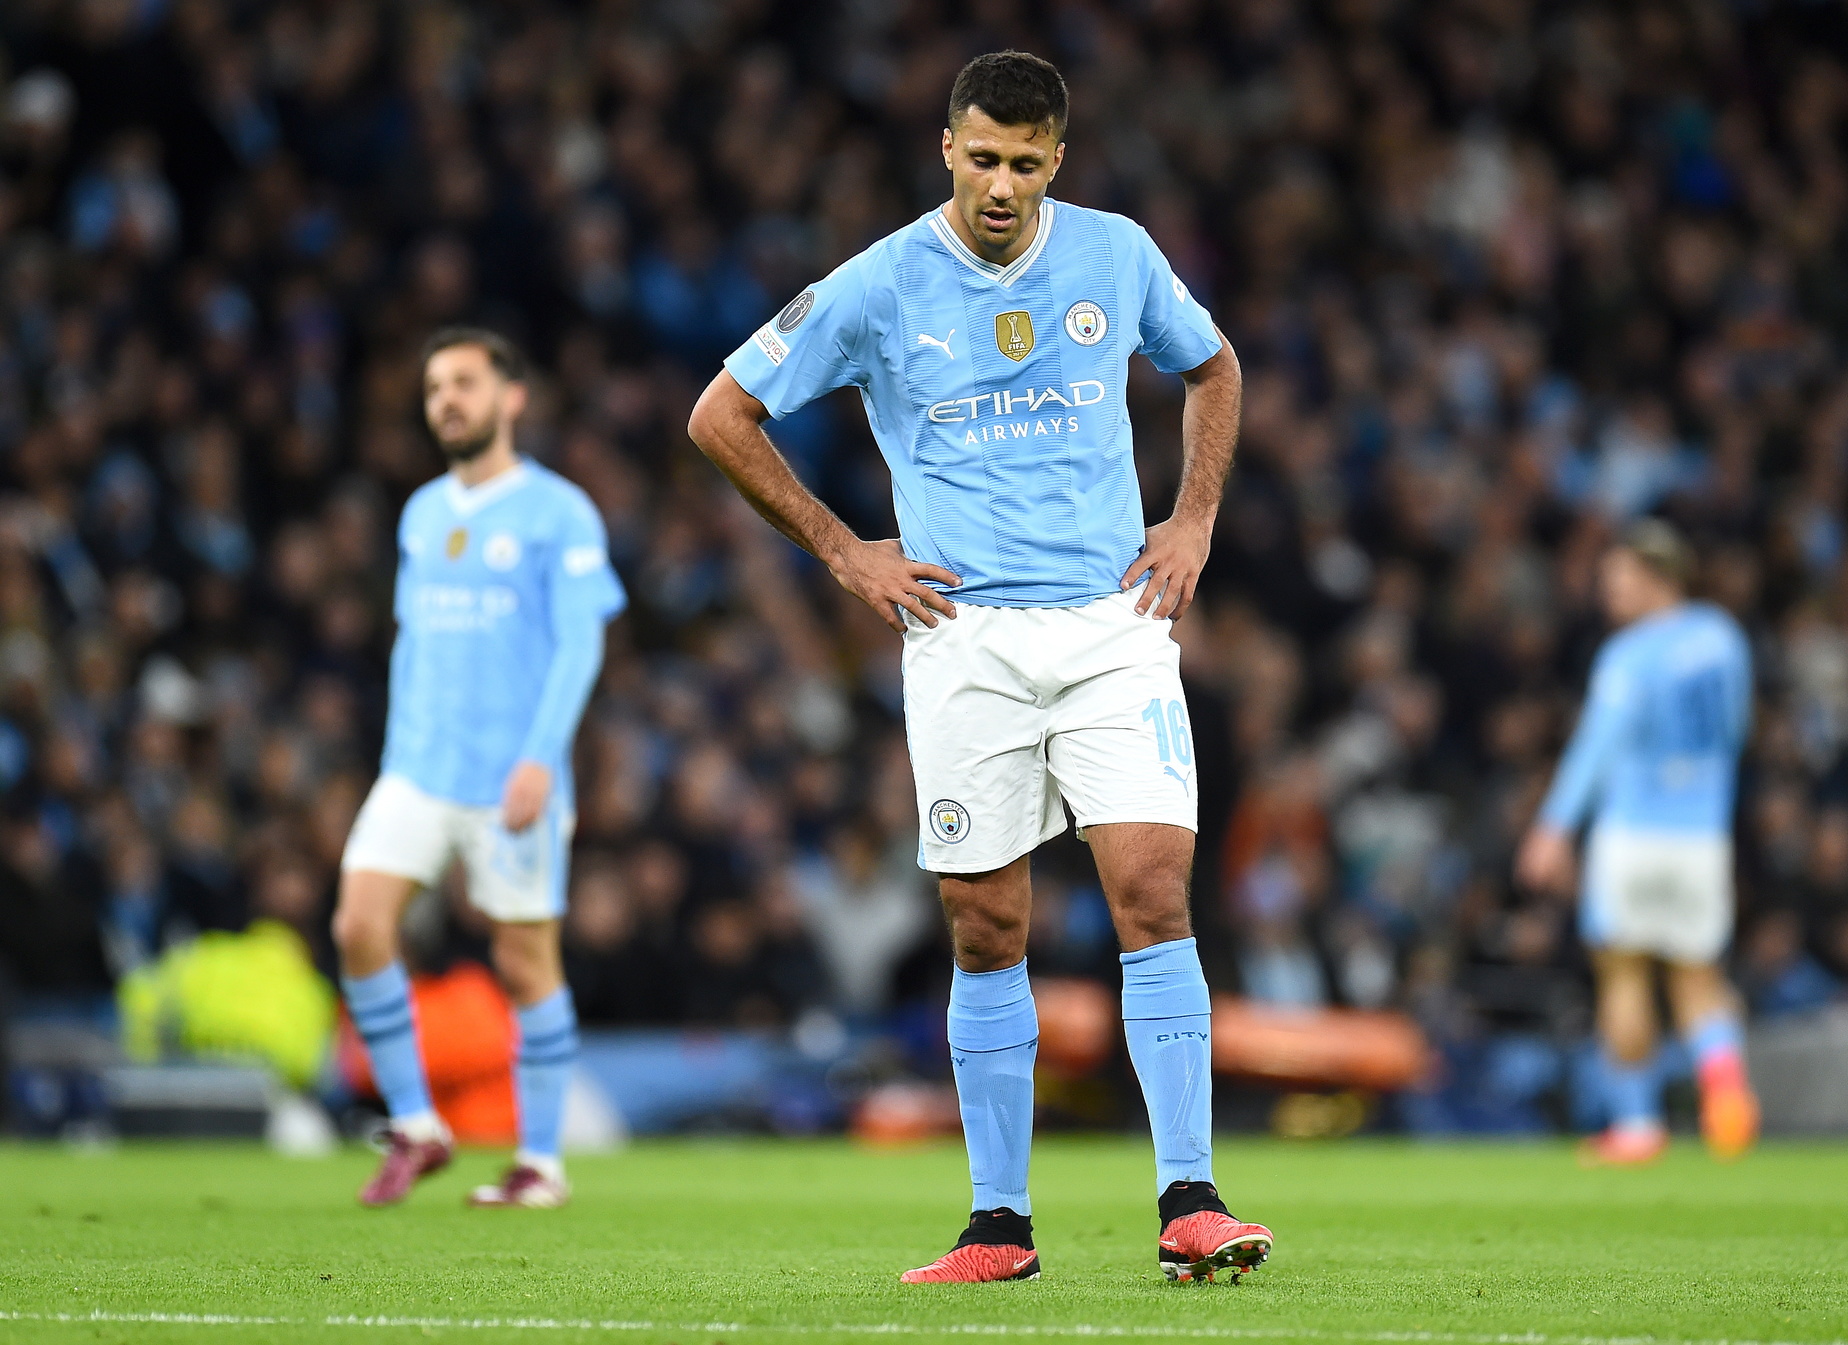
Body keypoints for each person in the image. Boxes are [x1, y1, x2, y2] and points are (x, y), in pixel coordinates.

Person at [689, 51, 1271, 1283]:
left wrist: (1194, 519)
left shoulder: (1114, 253)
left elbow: (1211, 367)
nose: (1000, 183)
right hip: (963, 638)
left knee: (1153, 892)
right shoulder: (881, 282)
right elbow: (719, 414)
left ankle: (1191, 1197)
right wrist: (845, 552)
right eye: (981, 157)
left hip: (1112, 623)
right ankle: (996, 1226)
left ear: (1056, 160)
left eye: (1024, 162)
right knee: (982, 923)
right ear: (944, 147)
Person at [331, 328, 625, 1208]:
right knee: (357, 927)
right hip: (418, 768)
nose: (447, 401)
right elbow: (412, 645)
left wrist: (541, 760)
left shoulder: (560, 512)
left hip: (513, 776)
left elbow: (580, 646)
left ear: (512, 396)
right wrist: (394, 753)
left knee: (525, 962)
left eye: (463, 383)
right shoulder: (421, 512)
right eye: (433, 389)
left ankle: (541, 1163)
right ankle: (419, 1126)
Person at [1515, 520, 1760, 1164]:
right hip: (1702, 836)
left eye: (1620, 579)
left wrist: (1553, 826)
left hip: (1632, 834)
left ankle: (1637, 1123)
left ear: (1660, 578)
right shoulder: (1723, 639)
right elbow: (1736, 731)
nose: (1609, 593)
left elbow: (1597, 747)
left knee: (1622, 973)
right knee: (1698, 976)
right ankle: (1724, 1084)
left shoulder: (1628, 655)